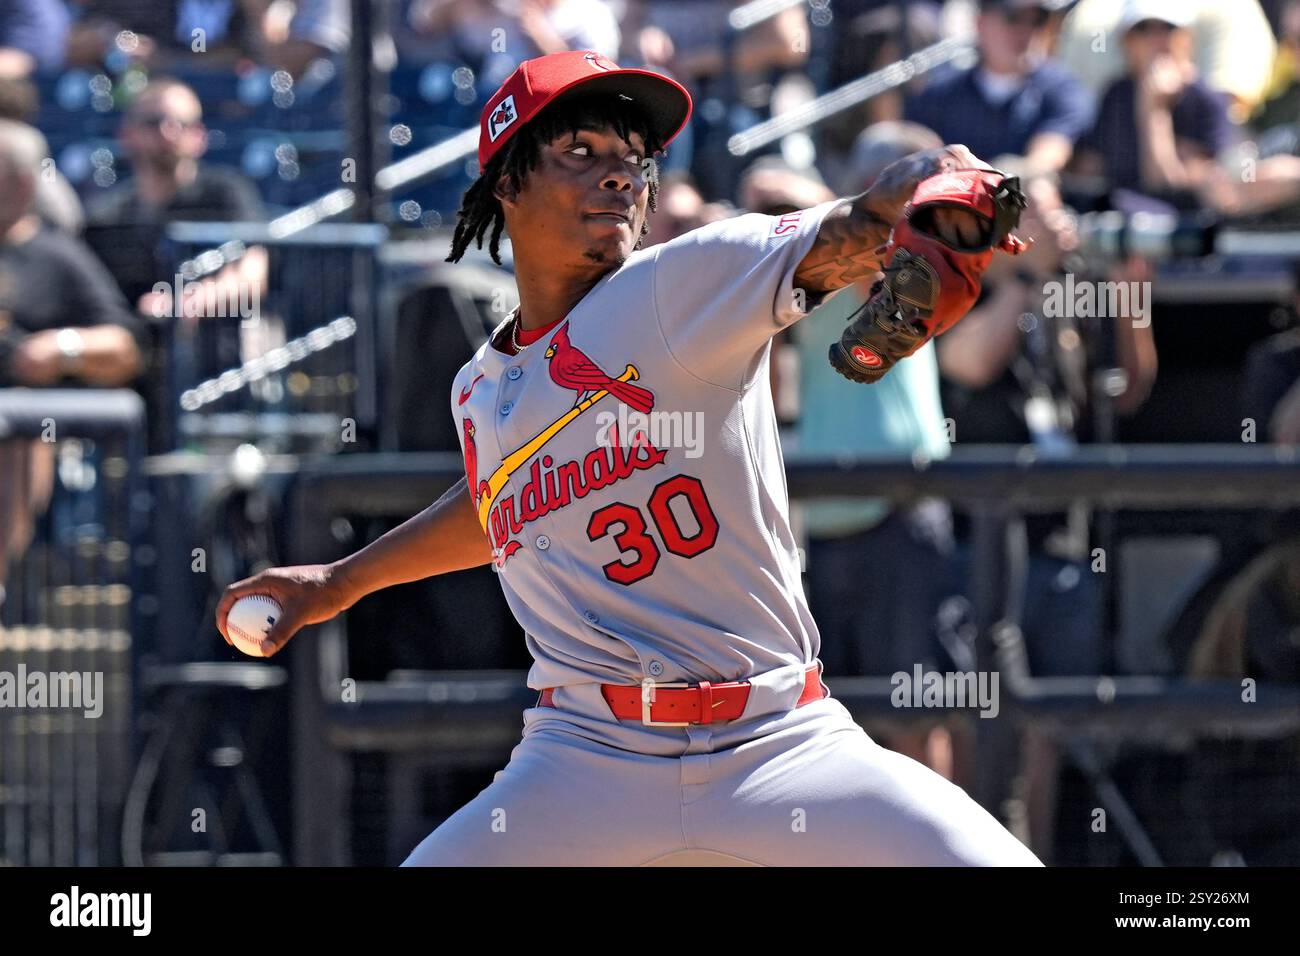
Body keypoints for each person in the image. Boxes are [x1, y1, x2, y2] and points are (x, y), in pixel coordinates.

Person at [218, 50, 1042, 866]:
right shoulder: (480, 388)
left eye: (633, 160)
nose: (618, 176)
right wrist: (339, 583)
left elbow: (857, 226)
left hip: (776, 741)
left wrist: (935, 182)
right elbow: (501, 506)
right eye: (581, 152)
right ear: (506, 181)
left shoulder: (679, 285)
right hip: (584, 758)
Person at [0, 119, 145, 600]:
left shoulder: (56, 255)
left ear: (21, 183)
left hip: (25, 422)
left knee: (16, 426)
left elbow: (125, 346)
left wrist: (60, 348)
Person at [904, 0, 1093, 176]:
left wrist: (1005, 176)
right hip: (950, 203)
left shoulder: (1062, 88)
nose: (1026, 30)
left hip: (1020, 206)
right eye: (1013, 17)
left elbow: (1047, 159)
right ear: (980, 23)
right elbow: (915, 155)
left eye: (1038, 20)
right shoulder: (940, 93)